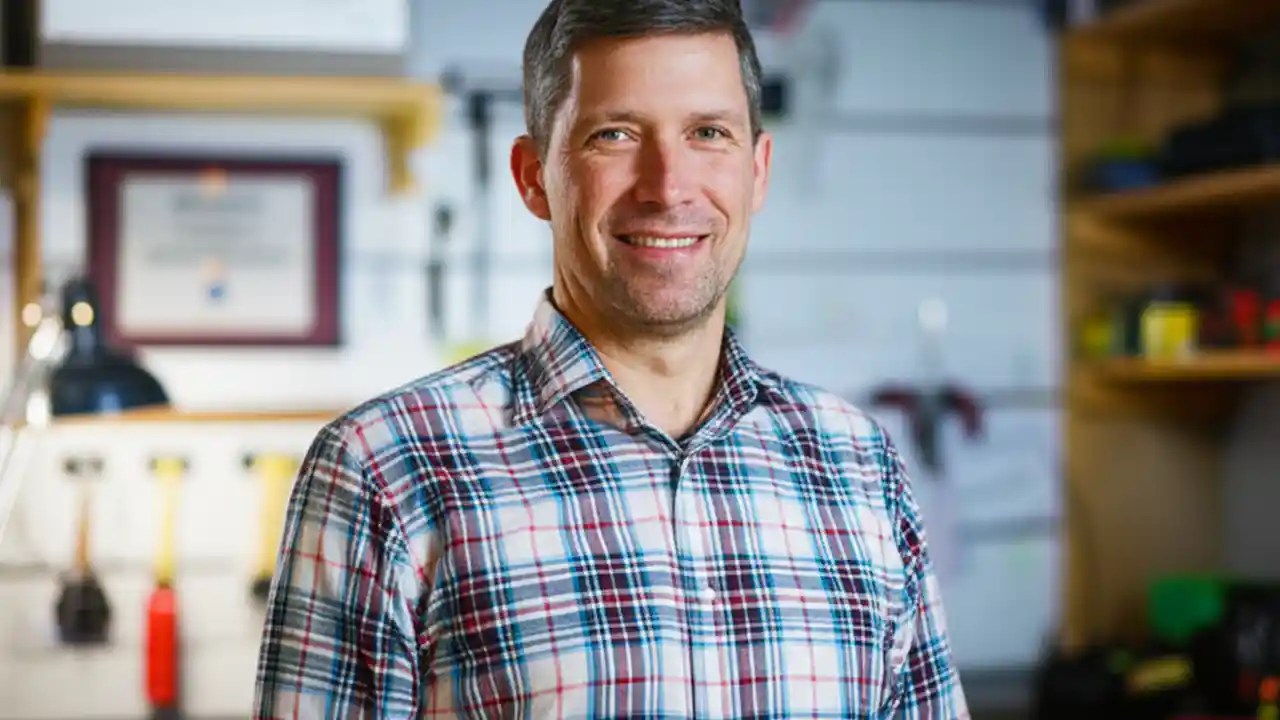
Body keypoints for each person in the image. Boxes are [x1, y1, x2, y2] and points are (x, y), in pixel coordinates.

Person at [253, 0, 968, 717]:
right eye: (616, 134)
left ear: (757, 171)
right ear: (534, 176)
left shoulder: (859, 465)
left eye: (708, 133)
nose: (667, 186)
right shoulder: (383, 469)